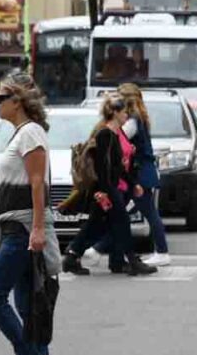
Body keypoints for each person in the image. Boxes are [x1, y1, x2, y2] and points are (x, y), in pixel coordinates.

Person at [0, 71, 61, 355]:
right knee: (28, 305)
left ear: (18, 101)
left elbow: (37, 183)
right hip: (16, 228)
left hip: (23, 229)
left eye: (1, 97)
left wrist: (37, 229)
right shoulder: (21, 133)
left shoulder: (30, 133)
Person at [60, 94, 157, 277]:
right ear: (114, 113)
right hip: (108, 189)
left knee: (97, 224)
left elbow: (118, 166)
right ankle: (132, 261)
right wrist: (103, 192)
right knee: (121, 222)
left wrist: (132, 183)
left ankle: (73, 257)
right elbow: (103, 168)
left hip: (113, 187)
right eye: (124, 112)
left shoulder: (115, 133)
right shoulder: (105, 134)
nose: (127, 115)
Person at [119, 83, 170, 266]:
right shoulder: (140, 118)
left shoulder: (132, 121)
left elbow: (119, 139)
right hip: (143, 171)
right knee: (123, 211)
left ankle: (162, 252)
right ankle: (102, 248)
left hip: (140, 173)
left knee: (148, 212)